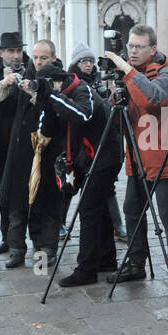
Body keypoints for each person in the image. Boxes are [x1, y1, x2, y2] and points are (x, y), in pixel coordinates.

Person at [103, 23, 168, 292]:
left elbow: (154, 98)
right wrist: (115, 101)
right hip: (139, 156)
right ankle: (135, 263)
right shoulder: (133, 74)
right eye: (130, 46)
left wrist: (128, 72)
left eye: (138, 46)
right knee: (132, 211)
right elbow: (124, 121)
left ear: (152, 49)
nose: (132, 51)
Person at [52, 54, 123, 286]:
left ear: (58, 81)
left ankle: (87, 269)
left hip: (105, 155)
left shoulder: (82, 91)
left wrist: (52, 96)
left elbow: (80, 114)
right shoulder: (73, 89)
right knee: (99, 207)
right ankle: (106, 258)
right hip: (96, 155)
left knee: (89, 208)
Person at [0, 40, 67, 268]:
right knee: (17, 204)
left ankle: (46, 248)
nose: (37, 62)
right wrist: (4, 88)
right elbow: (6, 112)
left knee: (47, 204)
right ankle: (16, 249)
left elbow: (58, 114)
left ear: (53, 58)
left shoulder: (58, 79)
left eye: (43, 58)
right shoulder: (24, 74)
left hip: (47, 150)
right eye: (35, 57)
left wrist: (37, 96)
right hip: (21, 149)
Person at [0, 31, 32, 253]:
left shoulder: (32, 68)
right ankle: (7, 237)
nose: (16, 55)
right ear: (1, 52)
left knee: (33, 189)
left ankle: (36, 238)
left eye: (19, 50)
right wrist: (4, 85)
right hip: (4, 141)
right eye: (11, 51)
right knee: (6, 191)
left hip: (30, 140)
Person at [68, 41, 126, 243]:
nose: (88, 65)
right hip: (84, 145)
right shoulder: (74, 85)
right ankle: (60, 224)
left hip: (103, 145)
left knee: (105, 190)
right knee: (71, 185)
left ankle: (117, 227)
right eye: (84, 61)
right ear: (76, 63)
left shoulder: (100, 84)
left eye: (91, 61)